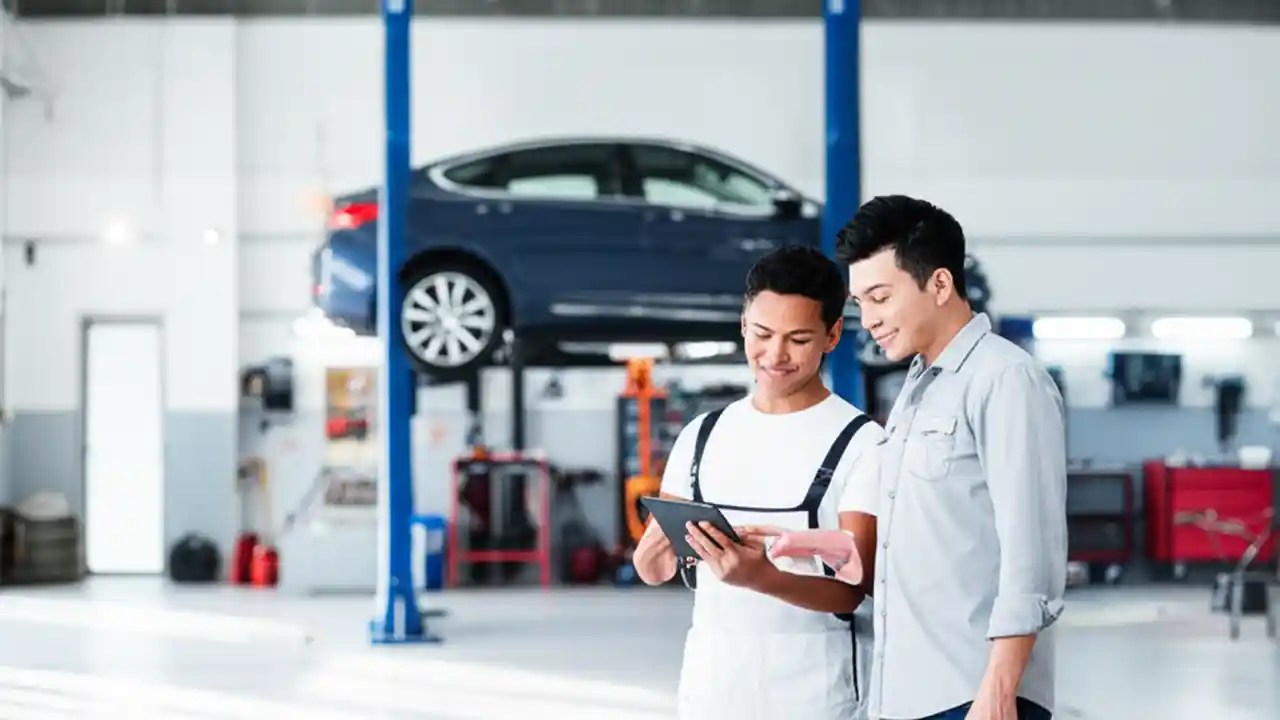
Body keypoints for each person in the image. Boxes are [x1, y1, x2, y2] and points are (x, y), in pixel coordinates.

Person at [836, 195, 1068, 720]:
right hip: (904, 691)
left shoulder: (1005, 380)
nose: (867, 320)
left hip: (974, 693)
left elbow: (1032, 554)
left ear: (939, 284)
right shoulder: (919, 388)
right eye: (859, 304)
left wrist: (998, 690)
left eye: (879, 298)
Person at [632, 245, 885, 720]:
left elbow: (855, 589)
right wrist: (652, 555)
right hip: (713, 690)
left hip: (817, 694)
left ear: (832, 336)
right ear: (743, 324)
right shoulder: (701, 436)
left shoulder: (862, 442)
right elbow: (656, 568)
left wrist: (761, 577)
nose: (775, 355)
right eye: (762, 333)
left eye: (799, 339)